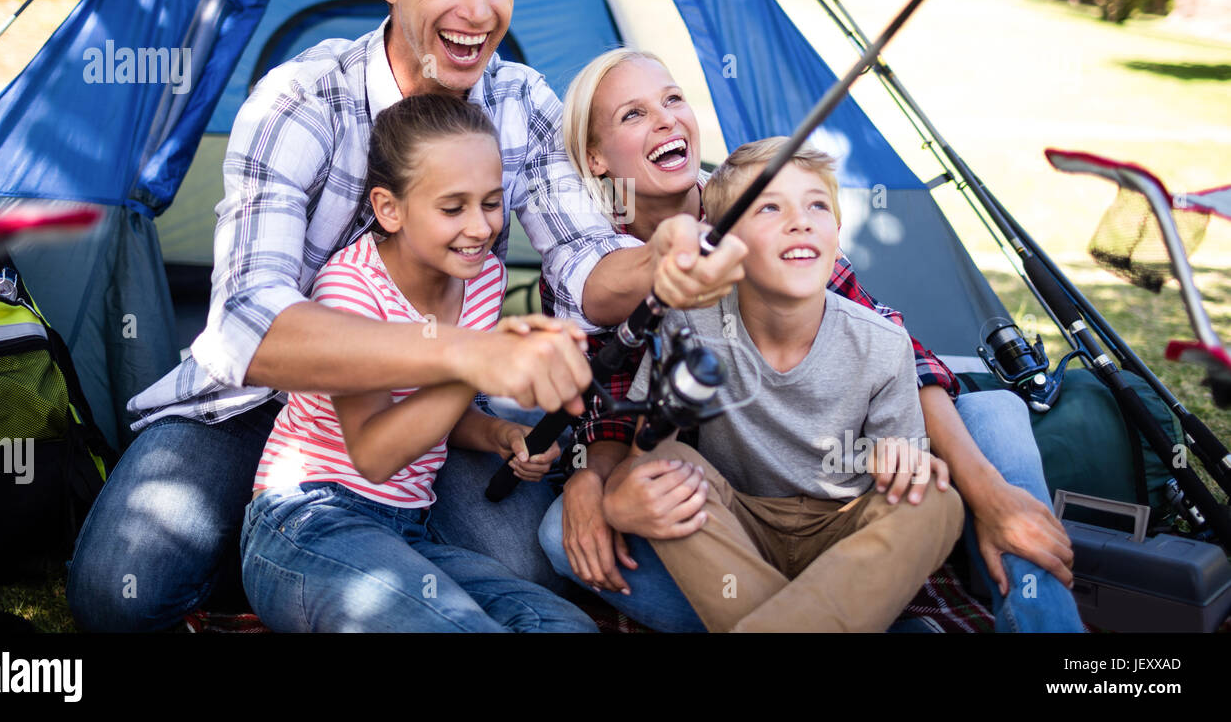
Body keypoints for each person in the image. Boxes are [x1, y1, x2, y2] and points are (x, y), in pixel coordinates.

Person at [66, 0, 745, 632]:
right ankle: (291, 550)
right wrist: (466, 354)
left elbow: (587, 263)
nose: (478, 13)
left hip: (422, 418)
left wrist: (658, 258)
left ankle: (339, 568)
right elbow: (250, 327)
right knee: (118, 592)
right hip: (255, 407)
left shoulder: (520, 102)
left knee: (526, 567)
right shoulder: (300, 100)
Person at [538, 47, 1084, 632]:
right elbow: (614, 411)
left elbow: (903, 356)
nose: (666, 119)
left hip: (834, 490)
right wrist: (599, 480)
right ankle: (852, 612)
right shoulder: (588, 261)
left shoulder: (764, 200)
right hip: (731, 499)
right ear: (594, 157)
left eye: (673, 99)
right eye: (634, 114)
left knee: (992, 416)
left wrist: (990, 494)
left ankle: (1037, 621)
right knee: (561, 534)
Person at [241, 94, 595, 632]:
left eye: (491, 203)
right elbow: (375, 453)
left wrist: (502, 434)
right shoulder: (351, 289)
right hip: (309, 520)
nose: (481, 228)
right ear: (390, 209)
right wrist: (477, 363)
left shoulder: (483, 279)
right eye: (453, 208)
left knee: (566, 626)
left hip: (408, 529)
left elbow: (438, 414)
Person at [629, 139, 964, 631]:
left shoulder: (884, 341)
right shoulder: (689, 326)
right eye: (770, 207)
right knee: (667, 465)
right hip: (739, 530)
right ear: (725, 246)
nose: (800, 221)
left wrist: (897, 457)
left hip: (847, 534)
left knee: (936, 497)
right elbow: (646, 453)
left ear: (838, 232)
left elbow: (900, 464)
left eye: (817, 206)